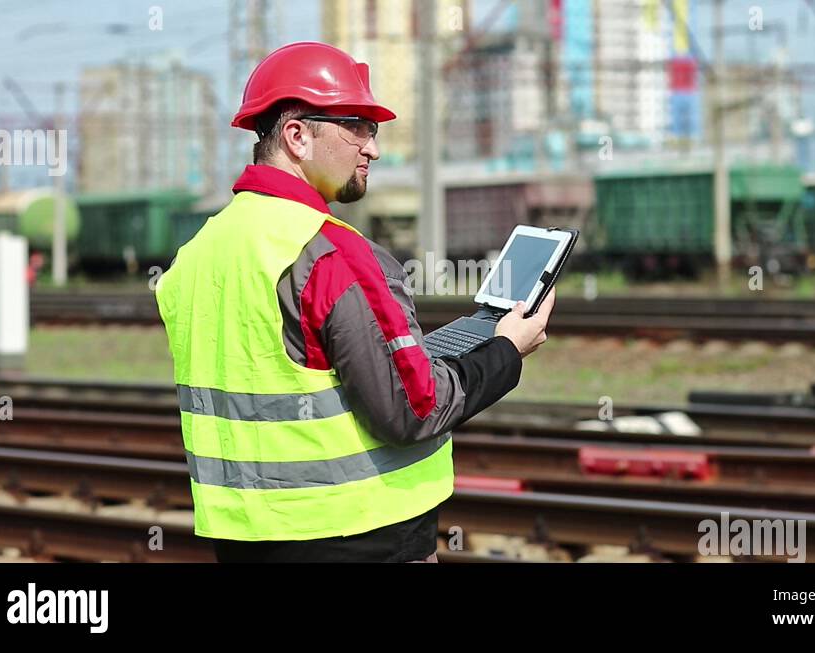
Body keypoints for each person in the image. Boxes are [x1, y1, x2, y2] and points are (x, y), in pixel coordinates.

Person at [155, 42, 555, 563]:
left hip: (243, 538)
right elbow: (414, 409)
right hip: (361, 536)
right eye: (357, 127)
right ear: (297, 135)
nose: (373, 149)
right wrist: (504, 352)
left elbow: (292, 373)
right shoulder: (333, 253)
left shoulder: (197, 254)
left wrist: (401, 355)